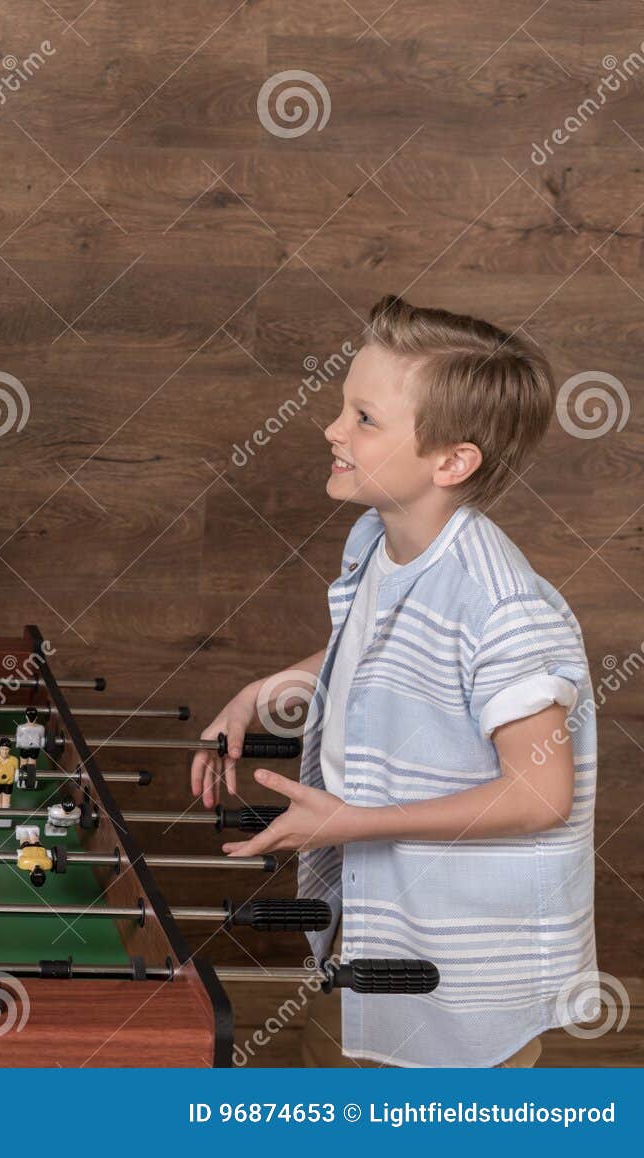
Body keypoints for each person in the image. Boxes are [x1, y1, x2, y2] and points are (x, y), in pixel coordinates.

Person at [192, 295, 596, 1069]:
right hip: (379, 921)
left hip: (464, 970)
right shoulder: (378, 537)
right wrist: (264, 690)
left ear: (451, 462)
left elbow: (539, 795)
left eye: (365, 419)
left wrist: (350, 823)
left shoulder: (500, 604)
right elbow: (376, 650)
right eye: (343, 407)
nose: (333, 429)